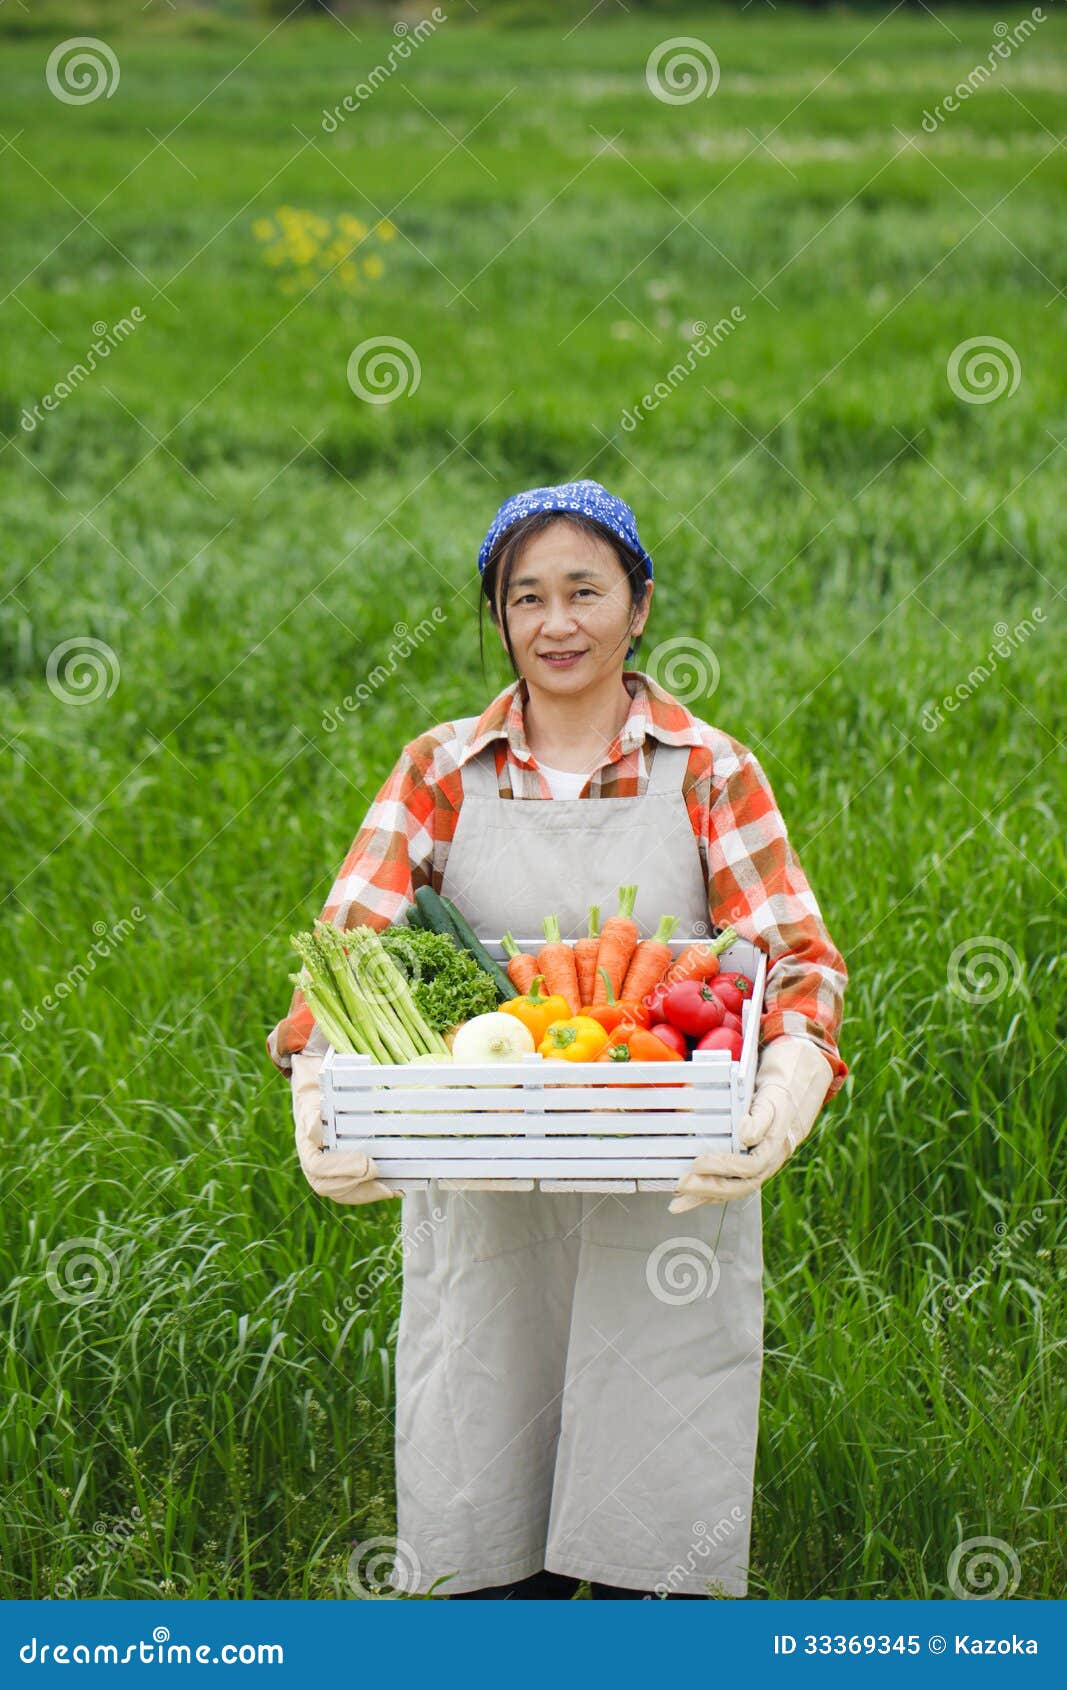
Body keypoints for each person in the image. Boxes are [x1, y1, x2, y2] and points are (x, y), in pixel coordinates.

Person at [270, 478, 849, 1599]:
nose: (555, 623)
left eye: (584, 590)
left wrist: (779, 1100)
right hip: (483, 1178)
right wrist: (319, 1091)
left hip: (669, 1184)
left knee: (658, 1515)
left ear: (637, 605)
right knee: (483, 1482)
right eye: (524, 596)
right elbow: (341, 951)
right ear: (498, 618)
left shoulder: (709, 767)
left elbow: (797, 959)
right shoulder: (440, 767)